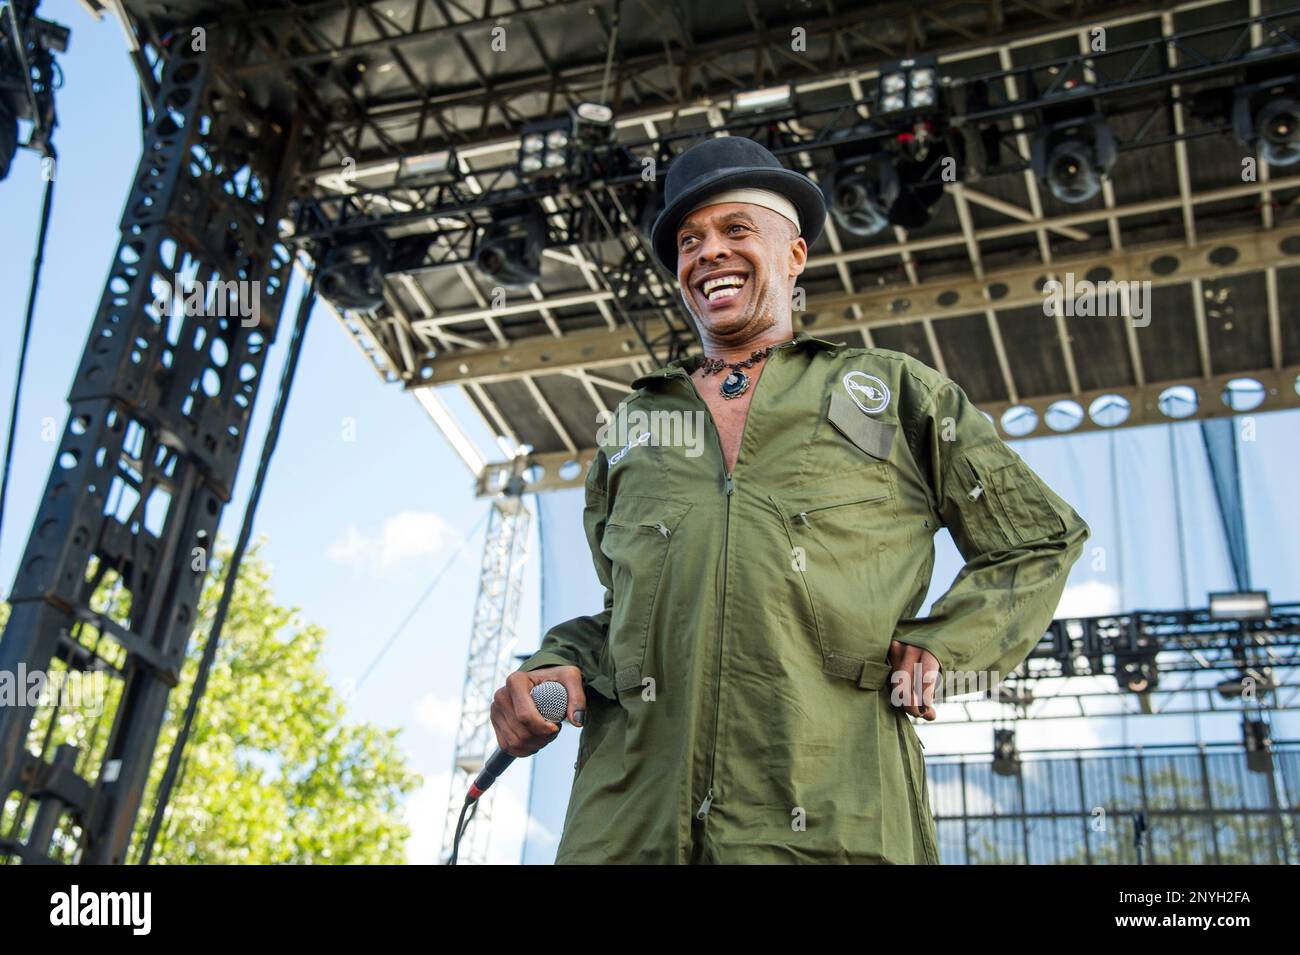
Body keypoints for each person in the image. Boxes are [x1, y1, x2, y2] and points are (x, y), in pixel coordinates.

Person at [490, 135, 1090, 863]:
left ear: (795, 255)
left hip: (832, 824)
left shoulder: (893, 392)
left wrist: (947, 644)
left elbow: (1036, 537)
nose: (707, 252)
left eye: (735, 230)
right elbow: (627, 618)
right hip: (630, 830)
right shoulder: (633, 429)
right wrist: (554, 661)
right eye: (689, 240)